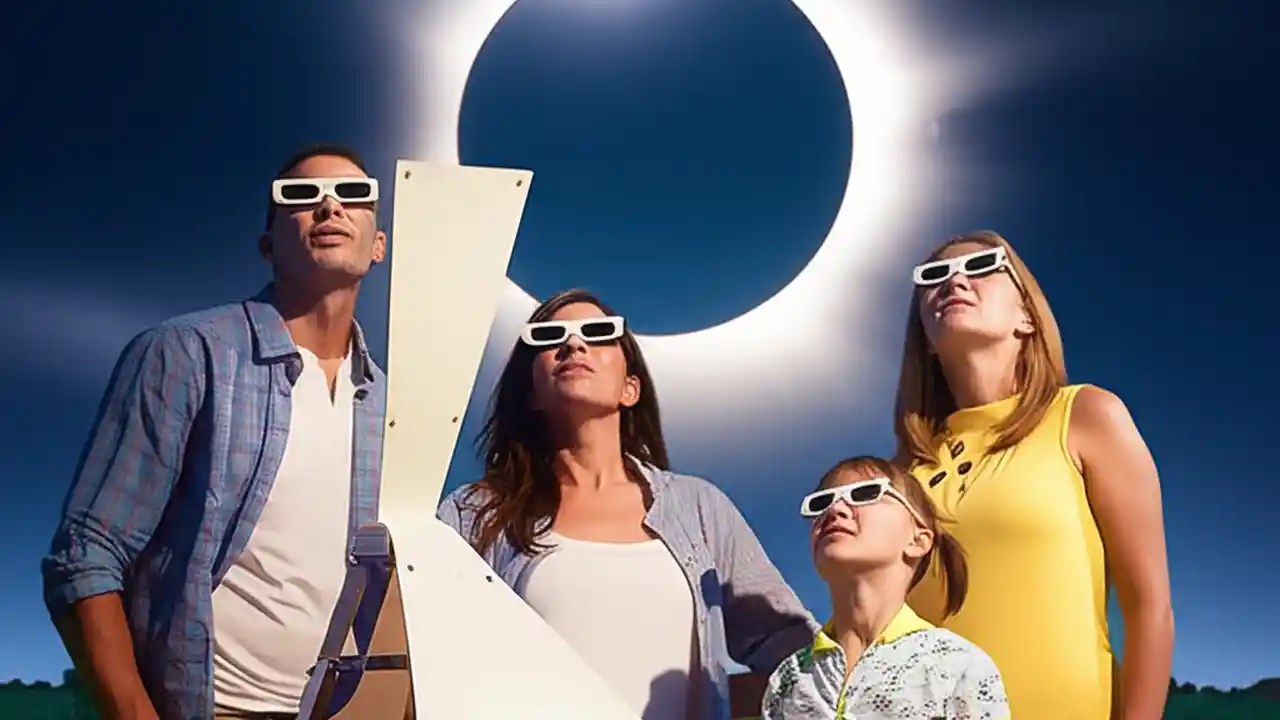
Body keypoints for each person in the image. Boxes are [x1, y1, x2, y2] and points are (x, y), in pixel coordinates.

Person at [41, 143, 389, 720]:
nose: (329, 206)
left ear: (378, 245)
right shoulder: (186, 354)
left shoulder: (388, 404)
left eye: (353, 194)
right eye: (300, 196)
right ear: (268, 244)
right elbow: (85, 556)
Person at [437, 288, 819, 720]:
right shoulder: (475, 515)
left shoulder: (699, 509)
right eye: (550, 336)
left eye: (599, 333)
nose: (574, 345)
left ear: (630, 388)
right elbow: (428, 649)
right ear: (531, 393)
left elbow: (793, 647)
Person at [896, 230, 1174, 719]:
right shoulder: (901, 477)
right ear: (927, 340)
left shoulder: (1086, 415)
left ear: (1027, 316)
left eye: (982, 266)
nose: (954, 280)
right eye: (934, 276)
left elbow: (1149, 607)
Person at [761, 456, 1009, 719]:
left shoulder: (957, 664)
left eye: (865, 493)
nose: (835, 509)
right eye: (822, 502)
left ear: (918, 540)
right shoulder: (787, 679)